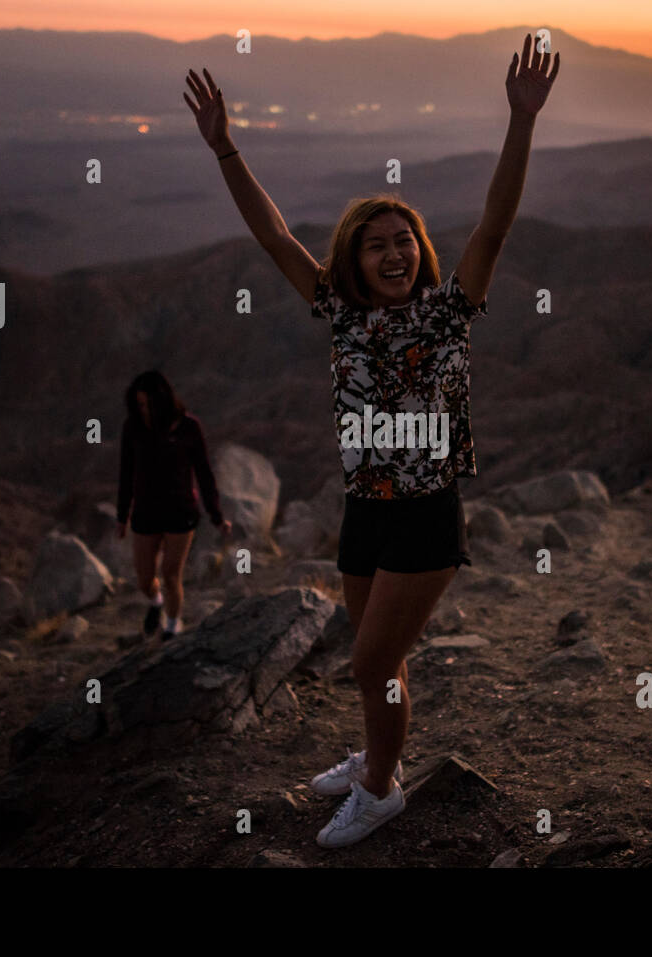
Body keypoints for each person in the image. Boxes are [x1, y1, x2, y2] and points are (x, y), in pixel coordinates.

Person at [183, 32, 559, 847]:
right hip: (365, 506)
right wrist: (225, 150)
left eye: (404, 240)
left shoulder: (448, 311)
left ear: (421, 251)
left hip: (425, 512)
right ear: (353, 261)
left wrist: (522, 121)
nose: (394, 252)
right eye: (375, 243)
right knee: (376, 655)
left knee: (368, 665)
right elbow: (275, 237)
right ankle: (378, 750)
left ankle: (381, 788)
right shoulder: (340, 311)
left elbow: (494, 226)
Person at [116, 370, 232, 639]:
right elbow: (126, 473)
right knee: (145, 580)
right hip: (145, 513)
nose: (143, 410)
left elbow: (204, 474)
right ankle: (156, 602)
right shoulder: (132, 427)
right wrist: (122, 516)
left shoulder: (189, 428)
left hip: (180, 513)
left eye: (147, 405)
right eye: (138, 405)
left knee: (171, 574)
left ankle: (172, 625)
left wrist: (216, 516)